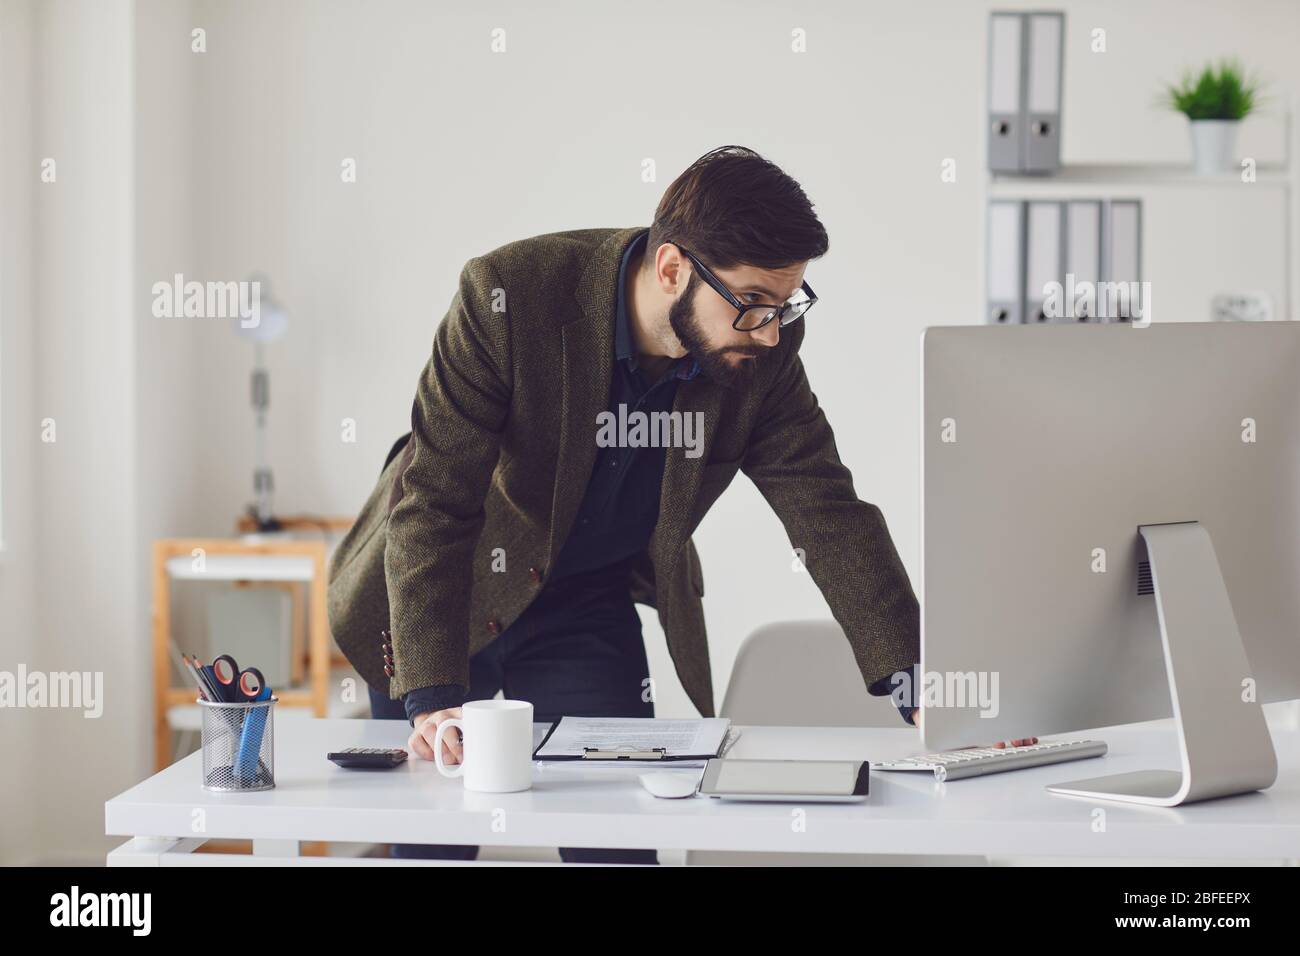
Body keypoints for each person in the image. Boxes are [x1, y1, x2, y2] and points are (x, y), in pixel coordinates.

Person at [329, 145, 1032, 864]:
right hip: (442, 591)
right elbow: (436, 501)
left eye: (786, 305)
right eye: (754, 303)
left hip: (584, 603)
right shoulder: (508, 296)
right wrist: (432, 693)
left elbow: (827, 508)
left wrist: (919, 679)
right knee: (437, 843)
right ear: (672, 270)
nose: (769, 329)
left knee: (619, 840)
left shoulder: (764, 353)